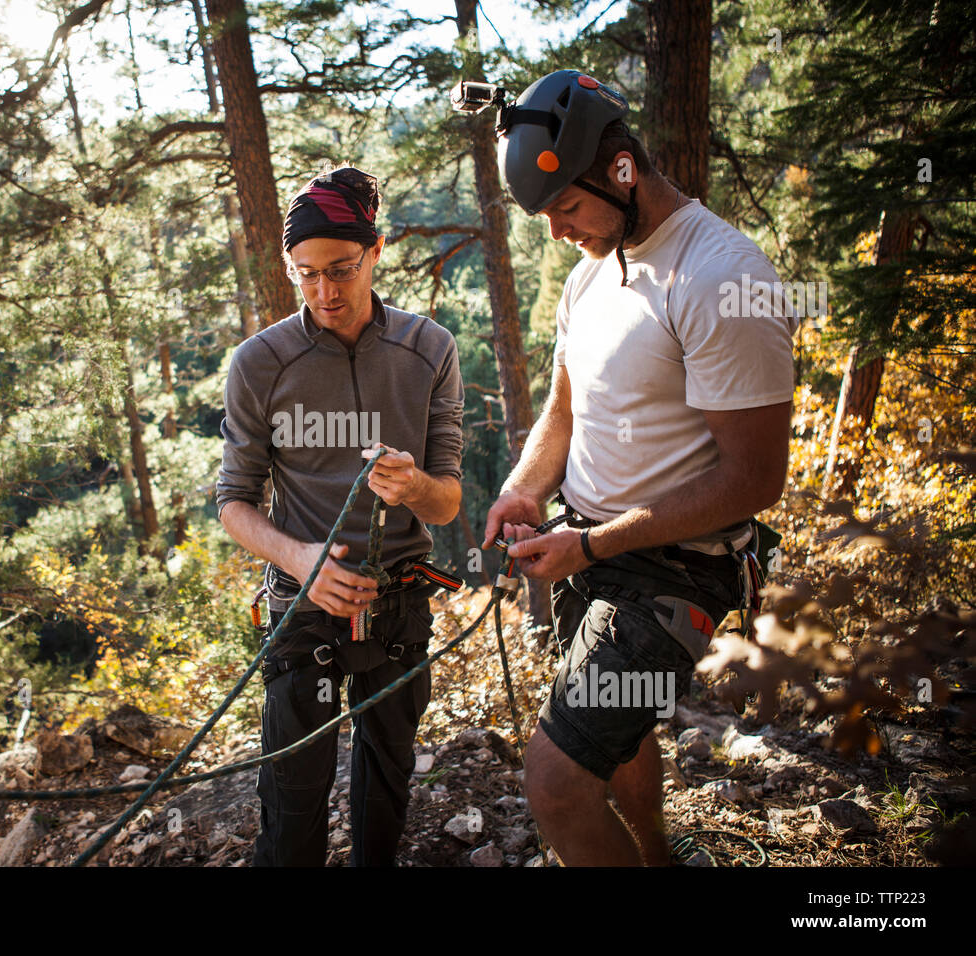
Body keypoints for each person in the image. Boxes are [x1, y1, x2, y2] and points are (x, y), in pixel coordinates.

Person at [480, 70, 798, 865]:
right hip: (589, 550)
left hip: (677, 571)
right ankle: (657, 856)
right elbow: (565, 407)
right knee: (614, 739)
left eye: (566, 210)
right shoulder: (592, 271)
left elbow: (755, 480)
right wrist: (524, 489)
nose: (557, 233)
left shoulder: (724, 278)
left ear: (621, 170)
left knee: (554, 781)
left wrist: (590, 547)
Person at [216, 166, 465, 866]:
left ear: (377, 251)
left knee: (385, 795)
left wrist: (413, 485)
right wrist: (302, 562)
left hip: (399, 598)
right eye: (306, 274)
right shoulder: (260, 362)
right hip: (303, 604)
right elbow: (233, 502)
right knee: (292, 803)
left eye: (341, 269)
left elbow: (446, 502)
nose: (325, 291)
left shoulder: (428, 350)